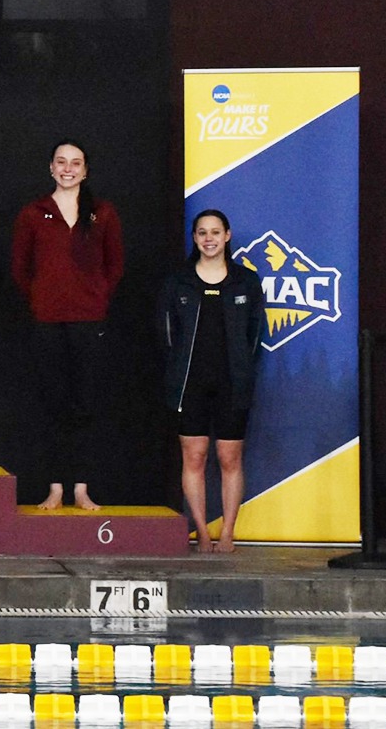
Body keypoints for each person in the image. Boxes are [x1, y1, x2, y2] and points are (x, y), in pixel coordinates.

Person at [11, 140, 124, 510]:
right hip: (47, 321)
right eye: (61, 162)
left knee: (85, 406)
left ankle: (82, 488)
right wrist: (42, 299)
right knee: (53, 406)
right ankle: (56, 487)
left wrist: (95, 298)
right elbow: (20, 268)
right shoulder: (33, 213)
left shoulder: (103, 213)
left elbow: (115, 266)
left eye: (76, 163)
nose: (68, 169)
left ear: (86, 171)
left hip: (89, 321)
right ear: (51, 168)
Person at [160, 209, 265, 553]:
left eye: (215, 232)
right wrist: (178, 370)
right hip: (189, 385)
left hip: (232, 384)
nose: (209, 239)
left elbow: (255, 335)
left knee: (229, 458)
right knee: (194, 457)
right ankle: (203, 534)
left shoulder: (246, 281)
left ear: (227, 236)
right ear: (194, 238)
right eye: (202, 232)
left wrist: (243, 371)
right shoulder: (178, 282)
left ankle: (228, 533)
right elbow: (167, 334)